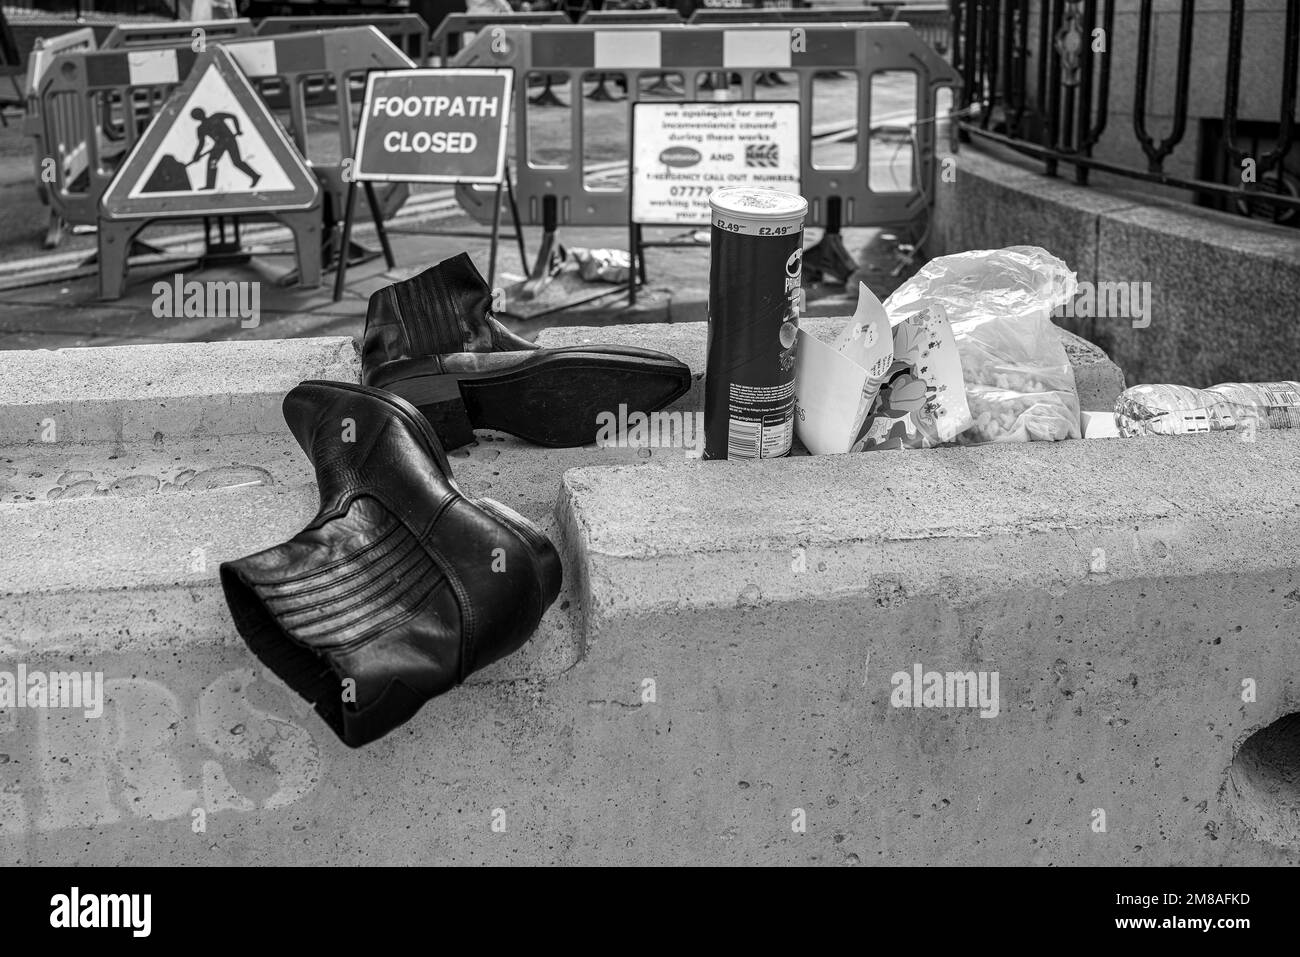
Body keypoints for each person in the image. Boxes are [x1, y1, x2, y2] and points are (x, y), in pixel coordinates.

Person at [189, 107, 260, 191]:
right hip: (219, 145)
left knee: (237, 162)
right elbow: (201, 143)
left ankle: (255, 176)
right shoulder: (201, 128)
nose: (200, 116)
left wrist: (238, 130)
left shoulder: (216, 116)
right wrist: (196, 155)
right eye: (197, 116)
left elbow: (233, 117)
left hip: (230, 141)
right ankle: (210, 185)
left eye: (199, 114)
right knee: (212, 162)